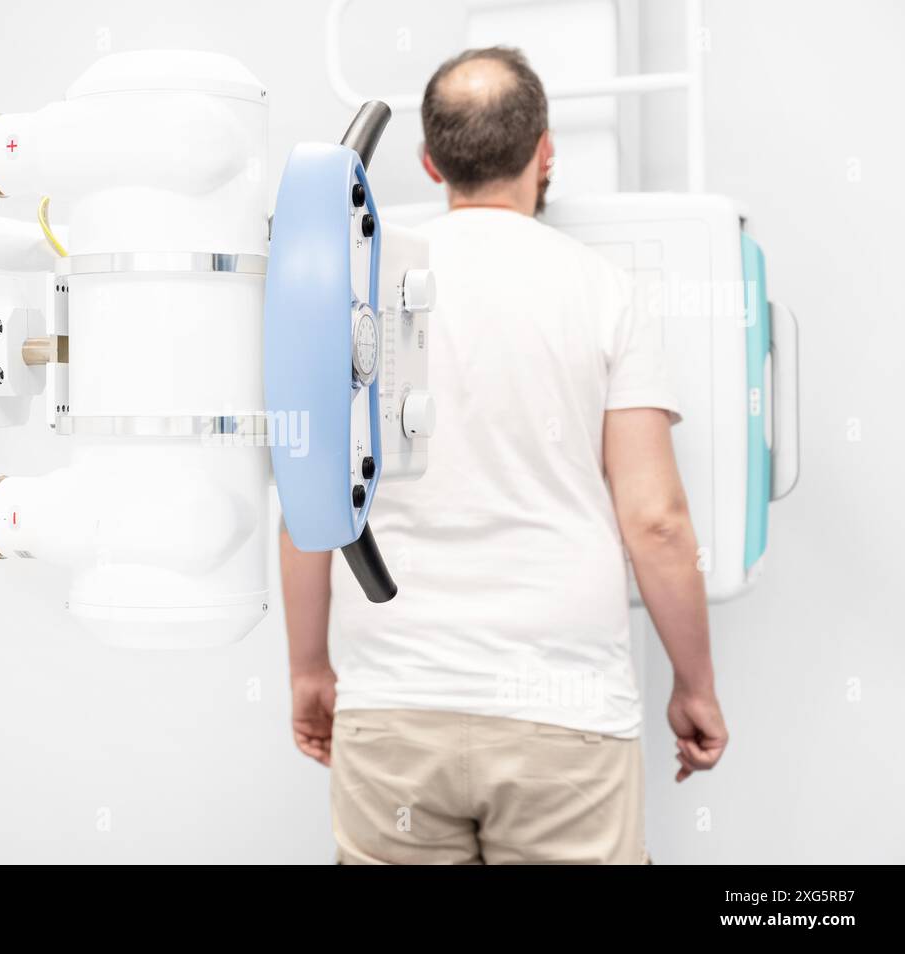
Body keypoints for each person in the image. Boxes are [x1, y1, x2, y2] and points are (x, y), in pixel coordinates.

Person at [280, 46, 728, 864]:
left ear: (429, 161)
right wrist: (693, 685)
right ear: (545, 150)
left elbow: (307, 491)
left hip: (394, 707)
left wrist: (310, 670)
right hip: (564, 717)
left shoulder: (360, 287)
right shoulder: (603, 291)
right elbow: (656, 521)